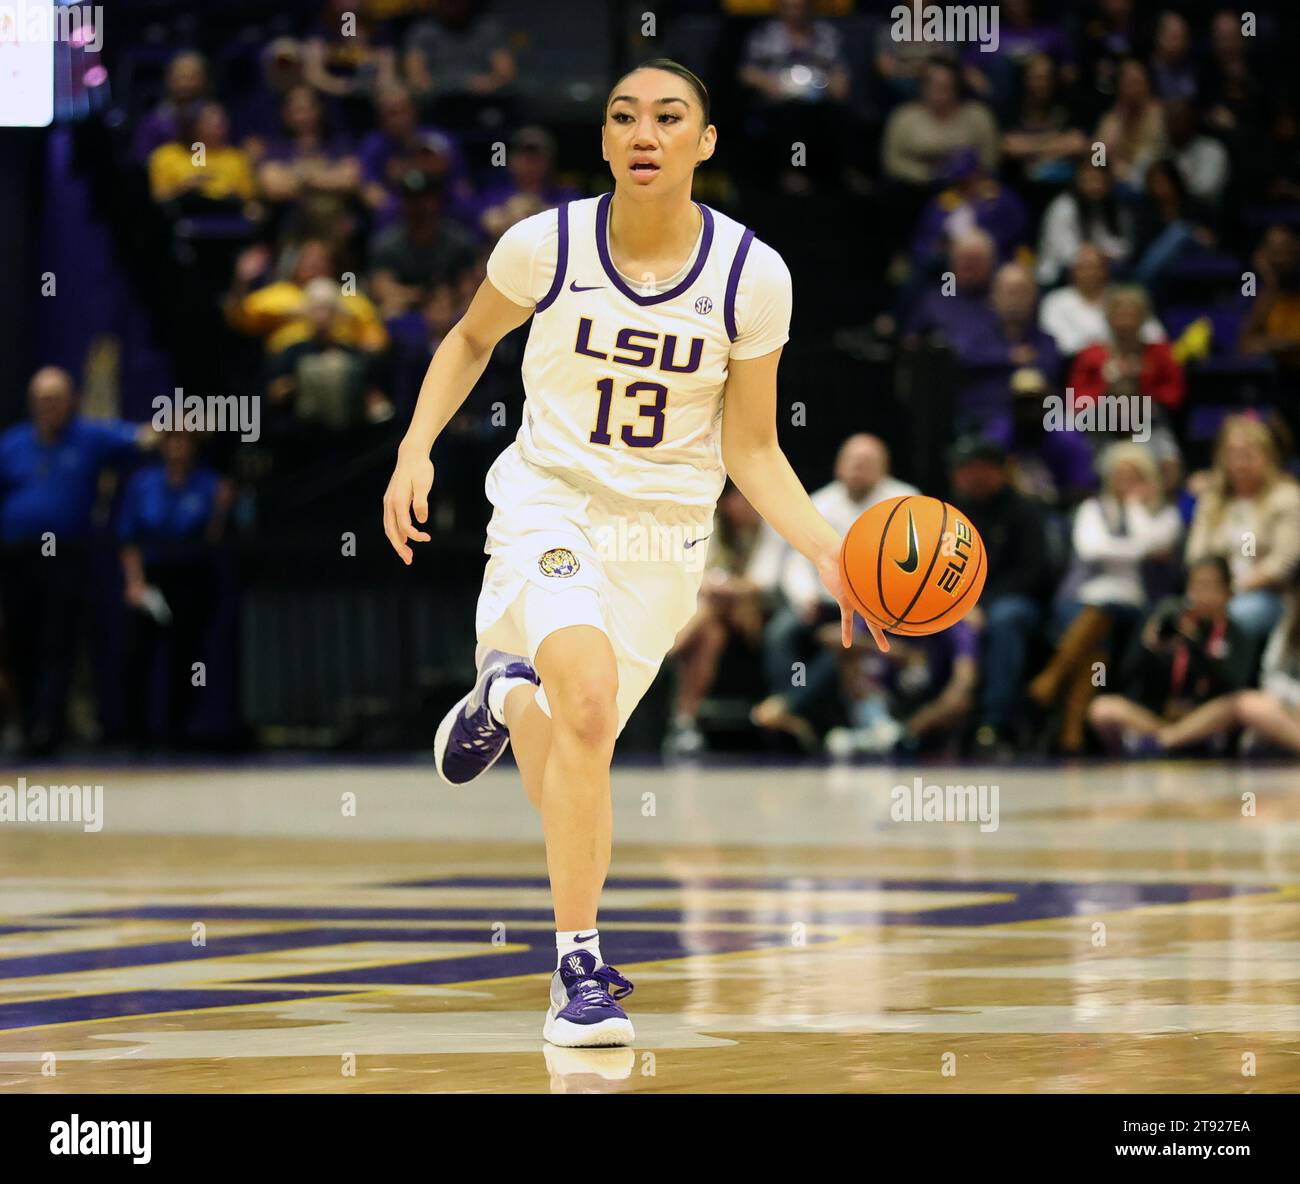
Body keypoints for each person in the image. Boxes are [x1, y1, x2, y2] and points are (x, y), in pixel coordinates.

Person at [380, 60, 889, 1048]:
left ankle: (499, 697)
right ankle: (578, 968)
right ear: (606, 143)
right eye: (623, 117)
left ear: (703, 142)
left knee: (576, 740)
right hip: (551, 500)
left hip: (664, 536)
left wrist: (829, 551)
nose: (643, 131)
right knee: (588, 697)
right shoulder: (546, 244)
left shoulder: (752, 277)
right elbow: (468, 339)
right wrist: (414, 447)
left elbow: (751, 446)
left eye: (668, 116)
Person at [0, 367, 156, 755]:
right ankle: (26, 720)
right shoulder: (12, 444)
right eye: (41, 398)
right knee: (19, 641)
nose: (48, 405)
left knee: (59, 641)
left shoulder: (89, 437)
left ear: (71, 401)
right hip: (17, 557)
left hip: (65, 556)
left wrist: (189, 421)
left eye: (56, 398)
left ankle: (46, 730)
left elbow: (145, 438)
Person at [750, 434, 917, 748]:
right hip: (824, 599)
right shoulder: (819, 502)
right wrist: (805, 597)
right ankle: (787, 705)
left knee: (845, 638)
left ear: (884, 469)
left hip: (879, 604)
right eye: (852, 462)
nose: (858, 469)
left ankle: (788, 707)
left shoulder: (906, 502)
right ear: (839, 466)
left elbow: (913, 564)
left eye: (867, 463)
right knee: (781, 630)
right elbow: (797, 560)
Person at [1027, 442, 1182, 752]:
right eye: (1119, 474)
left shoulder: (1164, 514)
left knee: (1101, 615)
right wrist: (1136, 550)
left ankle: (1051, 679)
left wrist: (1135, 509)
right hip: (1085, 597)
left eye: (1133, 475)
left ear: (1147, 477)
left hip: (1138, 603)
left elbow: (1149, 543)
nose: (1124, 482)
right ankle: (1072, 733)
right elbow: (1091, 549)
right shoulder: (1092, 508)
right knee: (1098, 639)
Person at [118, 433, 231, 749]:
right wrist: (135, 583)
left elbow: (213, 540)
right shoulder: (142, 483)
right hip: (151, 577)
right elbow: (128, 537)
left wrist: (221, 511)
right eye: (172, 441)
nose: (178, 448)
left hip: (191, 578)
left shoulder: (210, 485)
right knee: (137, 654)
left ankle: (177, 732)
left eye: (185, 442)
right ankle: (136, 735)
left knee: (186, 656)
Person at [947, 436, 1056, 755]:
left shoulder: (1025, 511)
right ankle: (925, 716)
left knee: (1004, 620)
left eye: (982, 468)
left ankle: (994, 723)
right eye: (966, 468)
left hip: (1018, 603)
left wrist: (982, 604)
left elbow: (1034, 573)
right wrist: (962, 604)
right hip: (959, 602)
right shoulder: (949, 514)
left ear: (1001, 471)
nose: (974, 475)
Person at [1087, 557, 1255, 754]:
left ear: (1227, 592)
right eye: (1198, 585)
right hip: (1161, 719)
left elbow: (1234, 682)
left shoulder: (1236, 633)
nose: (1204, 594)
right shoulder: (1170, 623)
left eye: (1211, 586)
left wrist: (1195, 645)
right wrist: (1149, 649)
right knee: (1102, 708)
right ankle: (1169, 741)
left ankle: (1163, 743)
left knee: (1237, 704)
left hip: (1206, 720)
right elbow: (1128, 678)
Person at [663, 482, 767, 756]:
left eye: (753, 502)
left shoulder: (769, 531)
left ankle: (666, 651)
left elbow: (763, 583)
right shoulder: (710, 526)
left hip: (755, 616)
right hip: (715, 614)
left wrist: (728, 587)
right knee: (711, 635)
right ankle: (683, 723)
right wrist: (727, 586)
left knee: (709, 604)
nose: (748, 509)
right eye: (741, 501)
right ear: (727, 503)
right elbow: (697, 575)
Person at [1184, 415, 1300, 643]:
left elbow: (1283, 563)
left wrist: (1233, 589)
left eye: (1248, 455)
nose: (1240, 463)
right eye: (1233, 455)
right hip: (1211, 592)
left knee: (1234, 616)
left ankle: (1226, 676)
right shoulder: (1213, 500)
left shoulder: (1287, 498)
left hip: (1266, 595)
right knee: (1169, 616)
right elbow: (1196, 555)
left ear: (1267, 457)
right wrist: (1208, 589)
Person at [1153, 597, 1300, 755]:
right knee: (1244, 702)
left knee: (1244, 704)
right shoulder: (1287, 626)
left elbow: (1234, 677)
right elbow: (1271, 673)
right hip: (1286, 702)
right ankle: (1165, 739)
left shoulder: (1236, 632)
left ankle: (1164, 740)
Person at [1038, 243, 1164, 359]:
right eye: (1083, 268)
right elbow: (1060, 344)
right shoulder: (1055, 301)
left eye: (1095, 267)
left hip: (1130, 363)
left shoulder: (1123, 297)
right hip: (1074, 366)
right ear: (1073, 271)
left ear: (1106, 270)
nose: (1090, 273)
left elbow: (1156, 335)